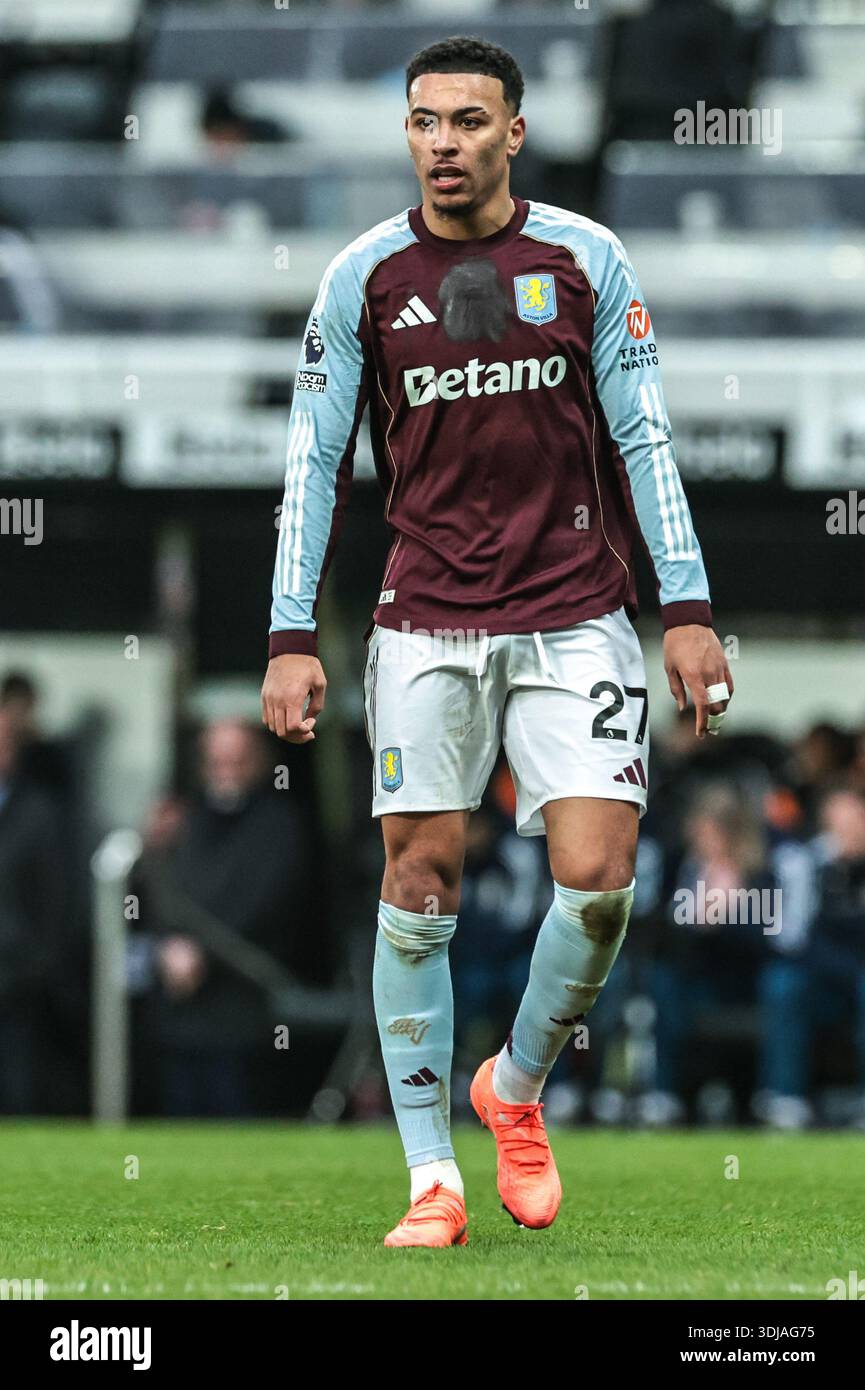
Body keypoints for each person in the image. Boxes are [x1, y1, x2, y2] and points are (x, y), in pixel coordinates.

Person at [261, 34, 732, 1246]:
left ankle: (512, 1088)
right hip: (425, 620)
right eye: (425, 121)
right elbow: (314, 464)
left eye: (469, 121)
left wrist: (686, 609)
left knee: (600, 882)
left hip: (575, 611)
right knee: (420, 883)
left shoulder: (584, 258)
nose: (445, 142)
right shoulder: (360, 277)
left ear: (512, 132)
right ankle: (432, 1178)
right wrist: (288, 632)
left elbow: (645, 440)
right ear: (407, 134)